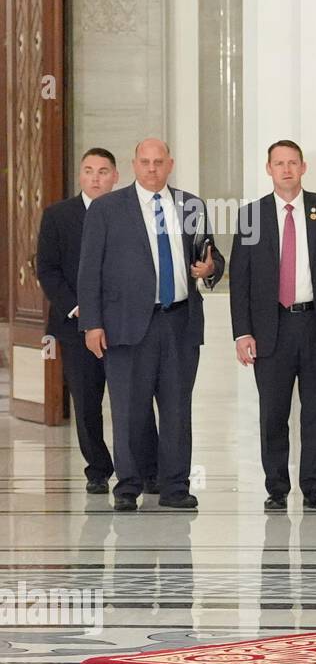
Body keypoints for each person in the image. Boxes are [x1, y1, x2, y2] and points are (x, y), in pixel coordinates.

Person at [78, 138, 223, 511]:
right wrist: (92, 324)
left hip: (178, 323)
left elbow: (210, 255)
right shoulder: (107, 209)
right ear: (133, 164)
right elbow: (89, 271)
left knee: (177, 410)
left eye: (159, 162)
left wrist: (210, 269)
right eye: (145, 162)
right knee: (128, 410)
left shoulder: (191, 205)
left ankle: (175, 487)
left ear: (170, 164)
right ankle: (127, 486)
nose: (152, 168)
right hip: (126, 327)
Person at [230, 140, 316, 511]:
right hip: (271, 328)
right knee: (273, 412)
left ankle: (314, 487)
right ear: (268, 169)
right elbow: (240, 278)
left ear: (303, 168)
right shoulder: (252, 215)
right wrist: (242, 331)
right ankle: (277, 487)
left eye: (293, 163)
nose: (286, 170)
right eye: (279, 163)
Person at [36, 147, 158, 494]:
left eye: (103, 171)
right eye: (88, 170)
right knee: (87, 402)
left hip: (125, 324)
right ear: (80, 175)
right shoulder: (58, 216)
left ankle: (147, 469)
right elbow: (47, 268)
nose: (95, 178)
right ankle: (98, 468)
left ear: (116, 176)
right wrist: (80, 309)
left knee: (135, 399)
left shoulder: (134, 211)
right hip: (76, 326)